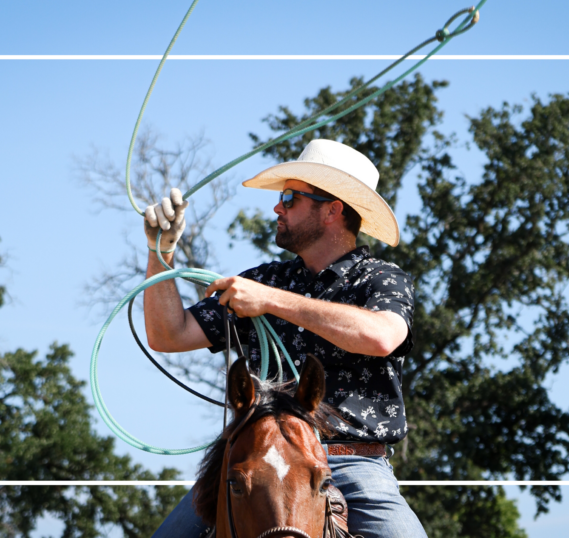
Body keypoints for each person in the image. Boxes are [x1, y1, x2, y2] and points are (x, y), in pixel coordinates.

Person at [143, 139, 426, 538]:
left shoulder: (380, 279)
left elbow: (380, 337)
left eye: (290, 198)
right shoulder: (262, 280)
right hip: (258, 456)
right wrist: (161, 252)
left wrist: (270, 302)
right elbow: (168, 335)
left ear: (332, 210)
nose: (277, 207)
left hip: (352, 463)